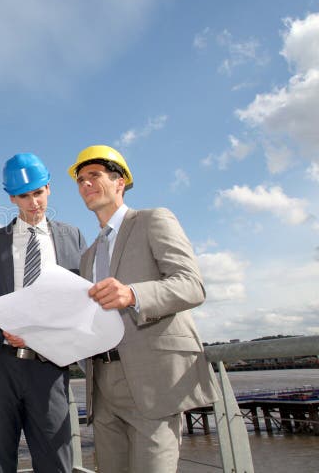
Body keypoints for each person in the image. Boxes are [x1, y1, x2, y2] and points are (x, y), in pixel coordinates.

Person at [69, 145, 218, 473]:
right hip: (102, 385)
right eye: (80, 181)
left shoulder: (153, 220)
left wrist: (133, 294)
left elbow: (192, 285)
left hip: (151, 382)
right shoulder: (88, 255)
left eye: (94, 176)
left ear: (119, 181)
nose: (85, 185)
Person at [0, 153, 86, 473]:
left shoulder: (73, 237)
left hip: (49, 368)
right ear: (12, 197)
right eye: (24, 195)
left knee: (56, 461)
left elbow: (80, 301)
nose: (33, 202)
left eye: (38, 192)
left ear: (49, 188)